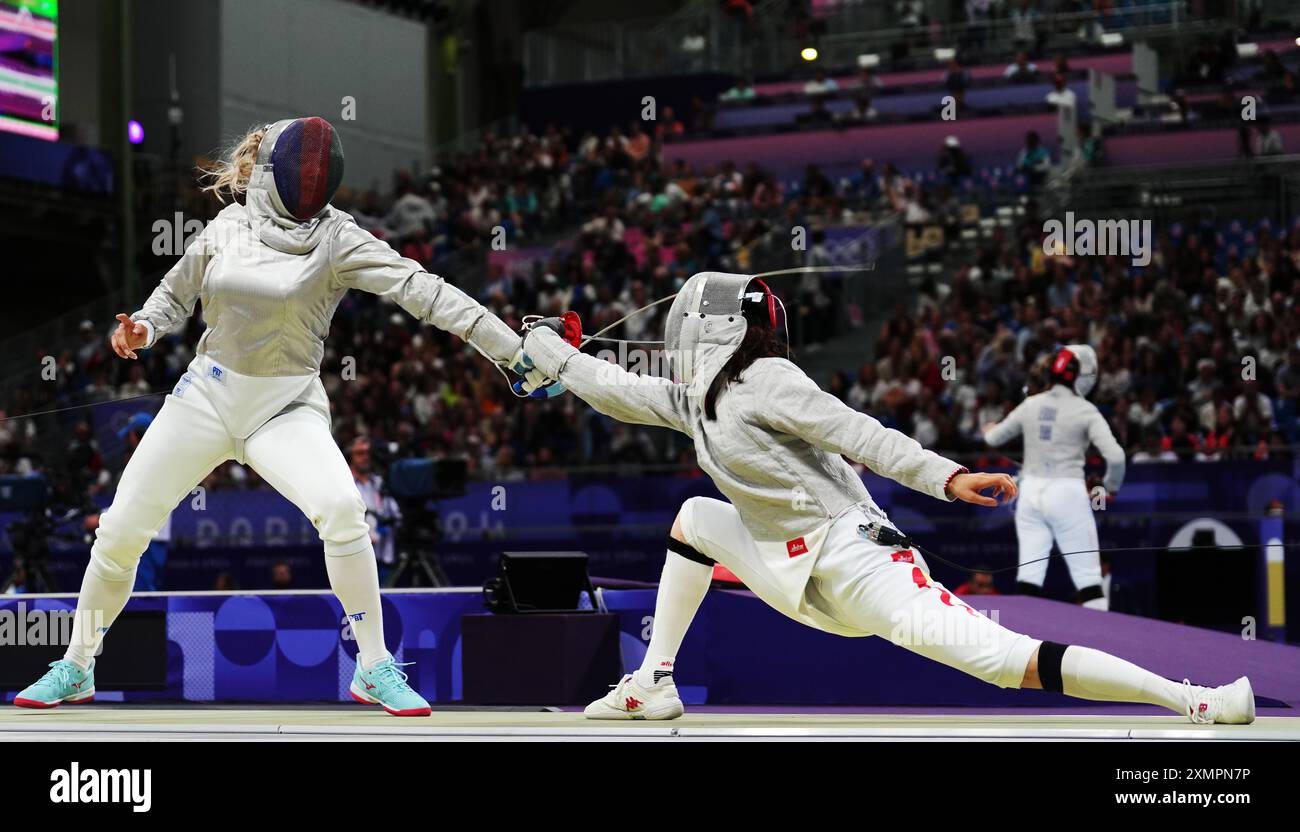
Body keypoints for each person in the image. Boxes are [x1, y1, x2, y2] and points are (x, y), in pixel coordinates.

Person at [519, 272, 1253, 724]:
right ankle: (654, 682)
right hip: (789, 570)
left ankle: (1195, 697)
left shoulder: (769, 382)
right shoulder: (696, 401)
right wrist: (552, 351)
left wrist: (946, 477)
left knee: (1005, 661)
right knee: (697, 519)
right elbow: (612, 388)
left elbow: (859, 433)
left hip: (858, 565)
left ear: (710, 325)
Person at [13, 116, 551, 716]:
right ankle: (77, 664)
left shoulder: (338, 238)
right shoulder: (226, 226)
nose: (311, 182)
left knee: (345, 511)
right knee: (117, 532)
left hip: (286, 407)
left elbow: (425, 291)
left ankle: (373, 666)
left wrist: (512, 348)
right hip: (206, 398)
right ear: (272, 174)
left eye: (320, 175)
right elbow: (172, 295)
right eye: (302, 171)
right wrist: (144, 326)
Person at [983, 345, 1125, 609]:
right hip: (1067, 491)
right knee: (1088, 578)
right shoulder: (1085, 410)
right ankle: (1103, 643)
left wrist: (988, 428)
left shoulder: (1031, 404)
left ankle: (1026, 644)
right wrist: (1109, 488)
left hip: (1030, 493)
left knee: (1029, 577)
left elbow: (993, 438)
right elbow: (1116, 457)